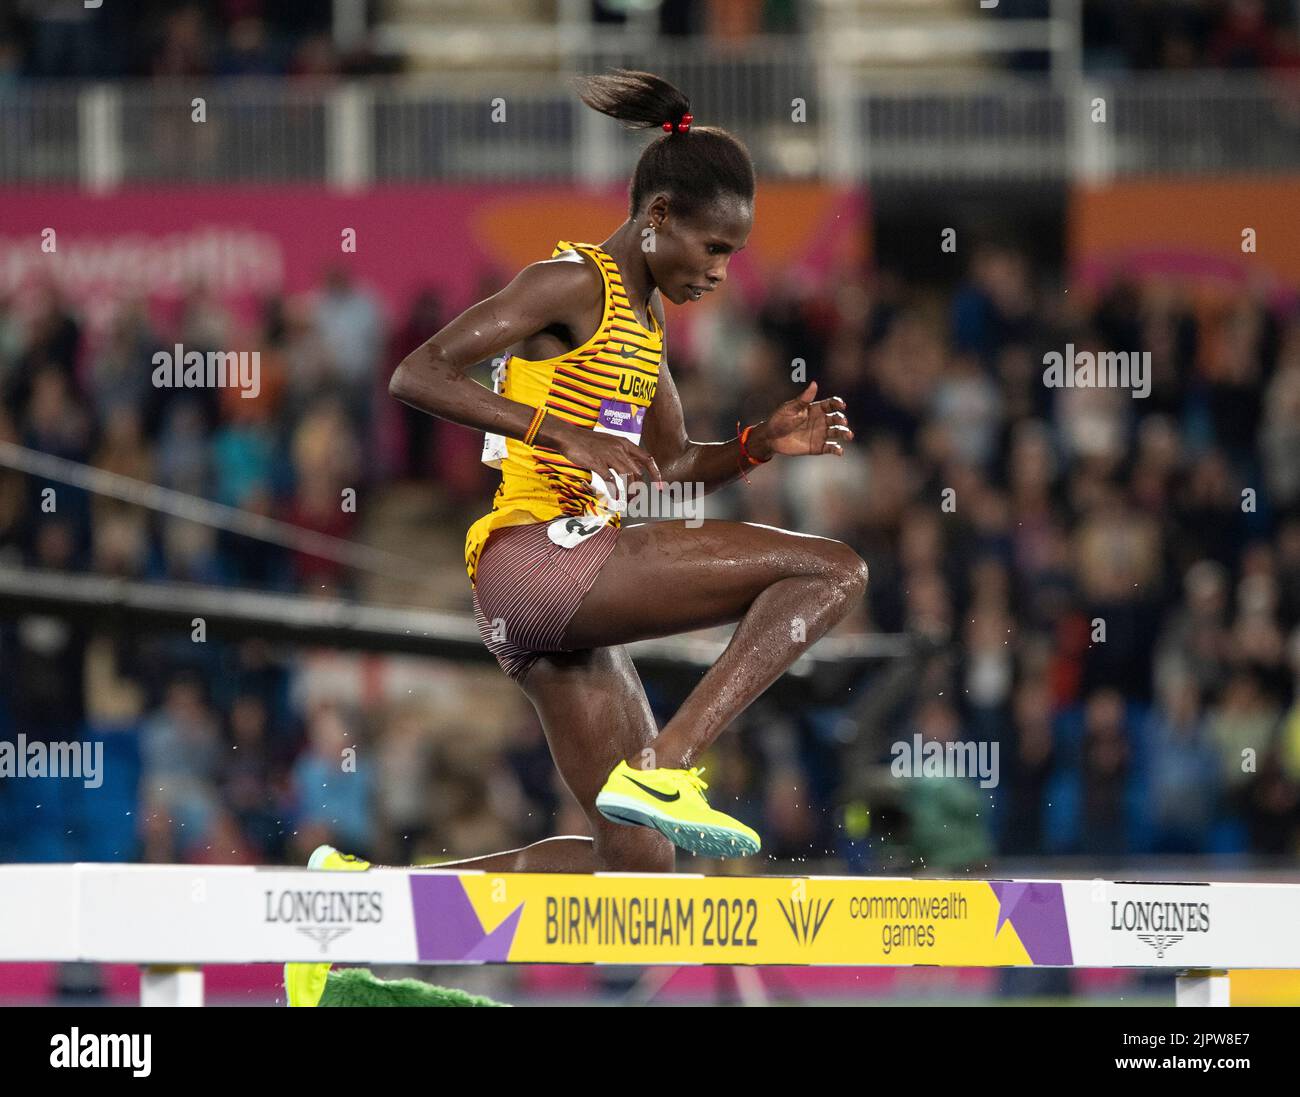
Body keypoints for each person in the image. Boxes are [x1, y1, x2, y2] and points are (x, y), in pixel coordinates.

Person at [285, 67, 867, 1007]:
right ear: (658, 216)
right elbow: (418, 373)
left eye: (735, 254)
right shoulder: (572, 282)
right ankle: (670, 762)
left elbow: (672, 468)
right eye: (713, 246)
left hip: (558, 601)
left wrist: (760, 444)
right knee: (833, 570)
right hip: (535, 556)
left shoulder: (644, 320)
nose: (722, 271)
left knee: (636, 871)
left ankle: (363, 906)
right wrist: (555, 428)